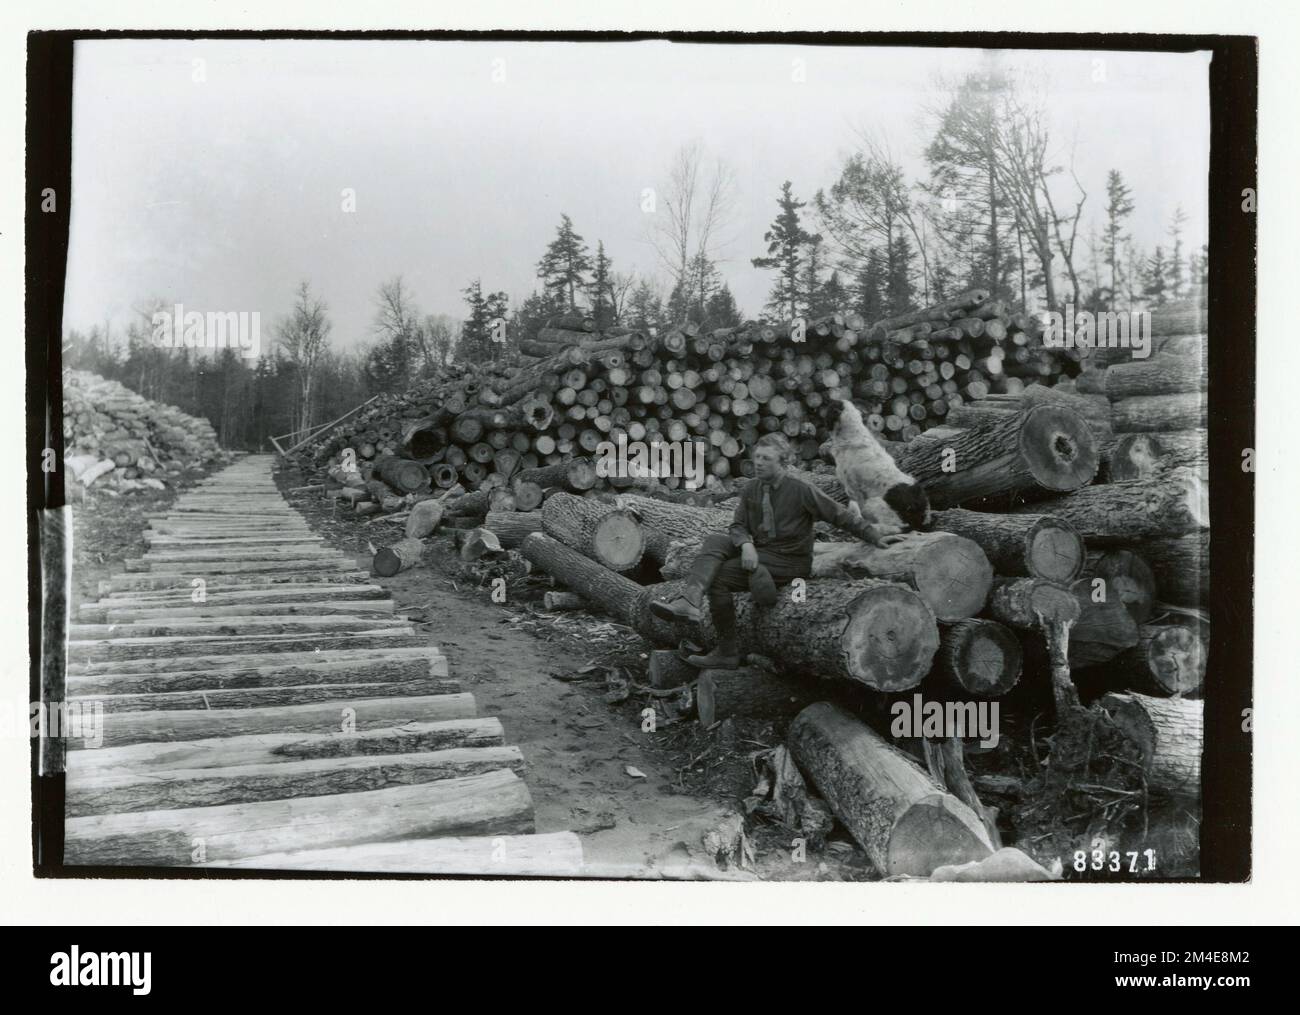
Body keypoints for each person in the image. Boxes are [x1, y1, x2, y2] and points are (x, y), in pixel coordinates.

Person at [650, 432, 907, 668]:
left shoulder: (801, 490)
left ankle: (731, 640)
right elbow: (738, 525)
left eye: (767, 459)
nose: (759, 463)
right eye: (757, 457)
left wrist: (873, 536)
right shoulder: (751, 488)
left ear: (783, 463)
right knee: (715, 542)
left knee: (722, 576)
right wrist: (747, 545)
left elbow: (840, 516)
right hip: (761, 551)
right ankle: (691, 603)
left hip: (790, 560)